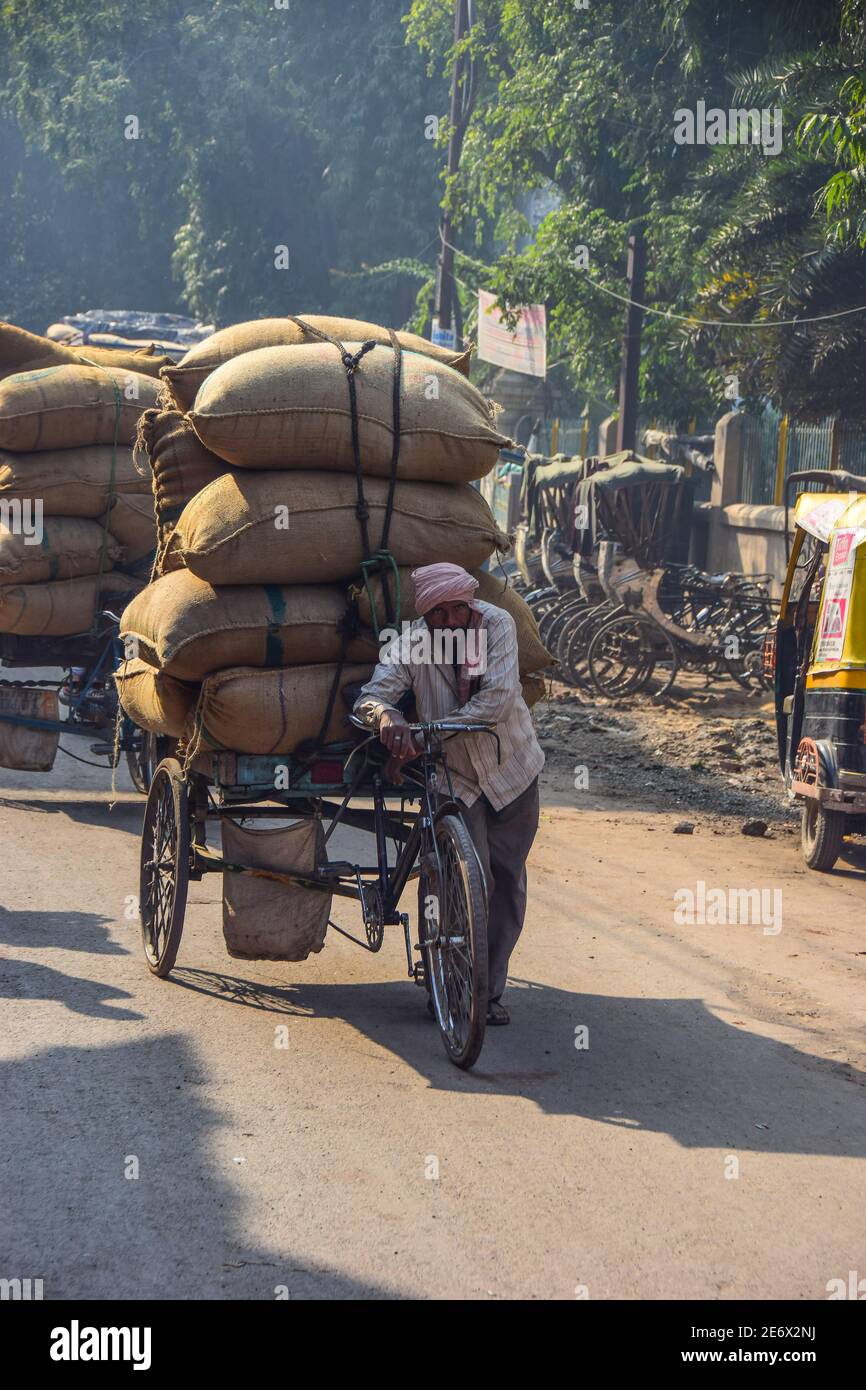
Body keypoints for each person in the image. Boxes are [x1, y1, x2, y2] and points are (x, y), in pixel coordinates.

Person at [353, 562, 544, 1025]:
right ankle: (445, 975)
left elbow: (498, 699)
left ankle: (489, 990)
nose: (452, 621)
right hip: (454, 777)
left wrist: (418, 741)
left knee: (507, 880)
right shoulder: (413, 643)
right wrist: (385, 718)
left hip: (512, 767)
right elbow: (370, 697)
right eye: (440, 613)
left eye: (459, 608)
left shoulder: (496, 623)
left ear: (472, 603)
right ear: (426, 616)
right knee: (459, 875)